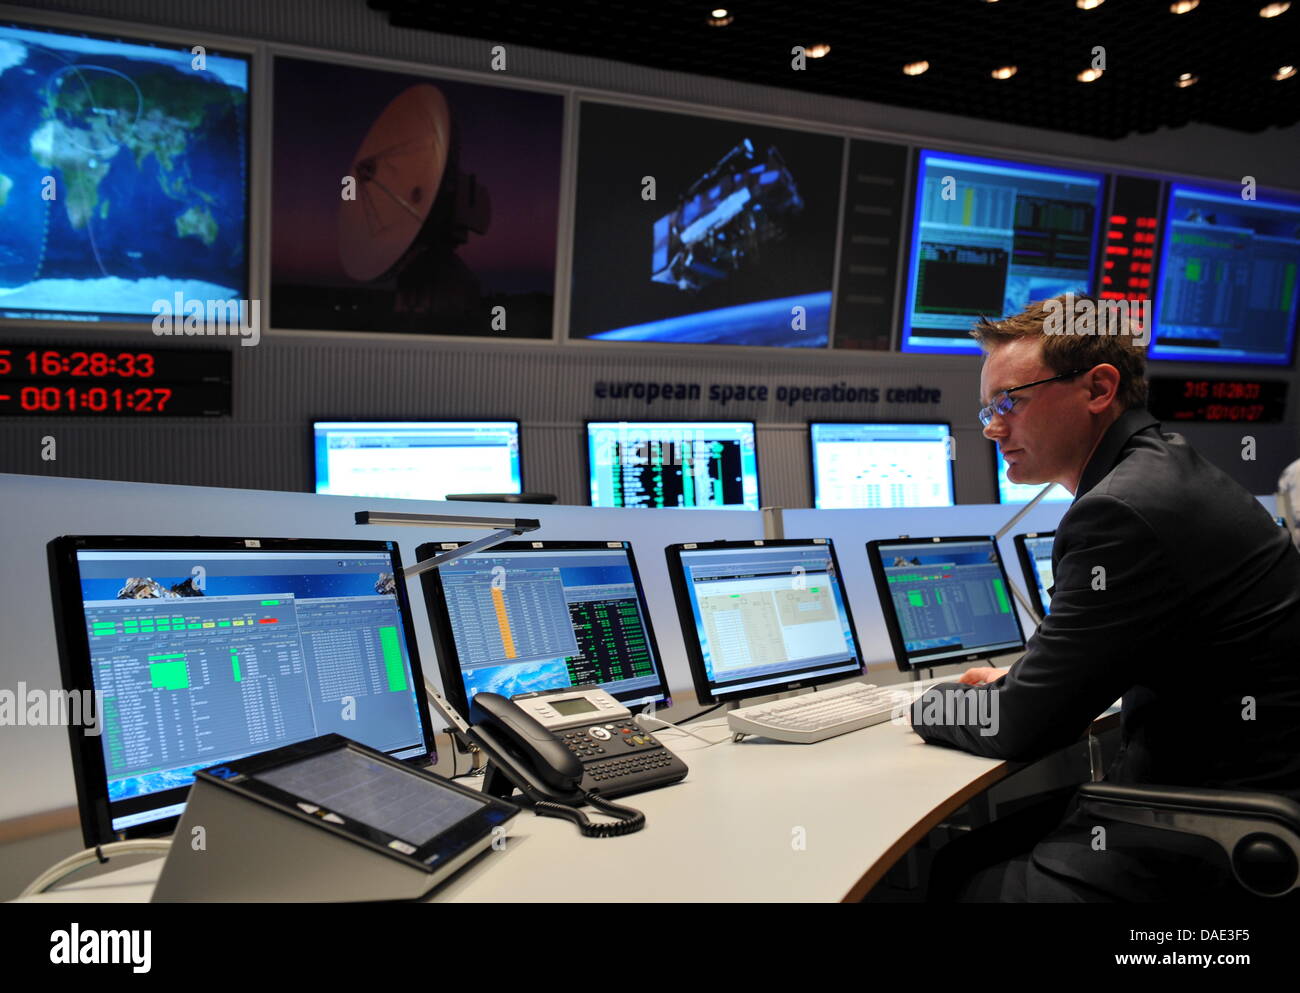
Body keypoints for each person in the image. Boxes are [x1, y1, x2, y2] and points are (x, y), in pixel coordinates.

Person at [912, 293, 1300, 902]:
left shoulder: (1119, 510)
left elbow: (1018, 726)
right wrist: (1024, 681)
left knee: (958, 874)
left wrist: (923, 706)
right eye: (987, 408)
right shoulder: (1165, 471)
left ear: (1098, 389)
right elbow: (1097, 655)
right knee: (966, 851)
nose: (992, 427)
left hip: (1217, 834)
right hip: (1249, 801)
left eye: (1010, 401)